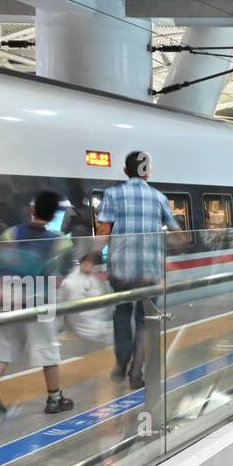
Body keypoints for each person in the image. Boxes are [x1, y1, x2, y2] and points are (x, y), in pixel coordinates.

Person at [0, 189, 75, 416]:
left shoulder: (11, 233)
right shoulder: (60, 242)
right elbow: (65, 271)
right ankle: (54, 398)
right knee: (47, 346)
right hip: (38, 301)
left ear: (32, 210)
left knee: (4, 345)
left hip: (6, 296)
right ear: (53, 216)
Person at [95, 150, 182, 389]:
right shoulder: (159, 198)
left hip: (121, 271)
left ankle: (121, 362)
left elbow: (104, 231)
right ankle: (136, 373)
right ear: (148, 172)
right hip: (150, 272)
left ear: (125, 171)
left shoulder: (112, 194)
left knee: (121, 314)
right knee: (145, 322)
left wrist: (89, 258)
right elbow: (176, 234)